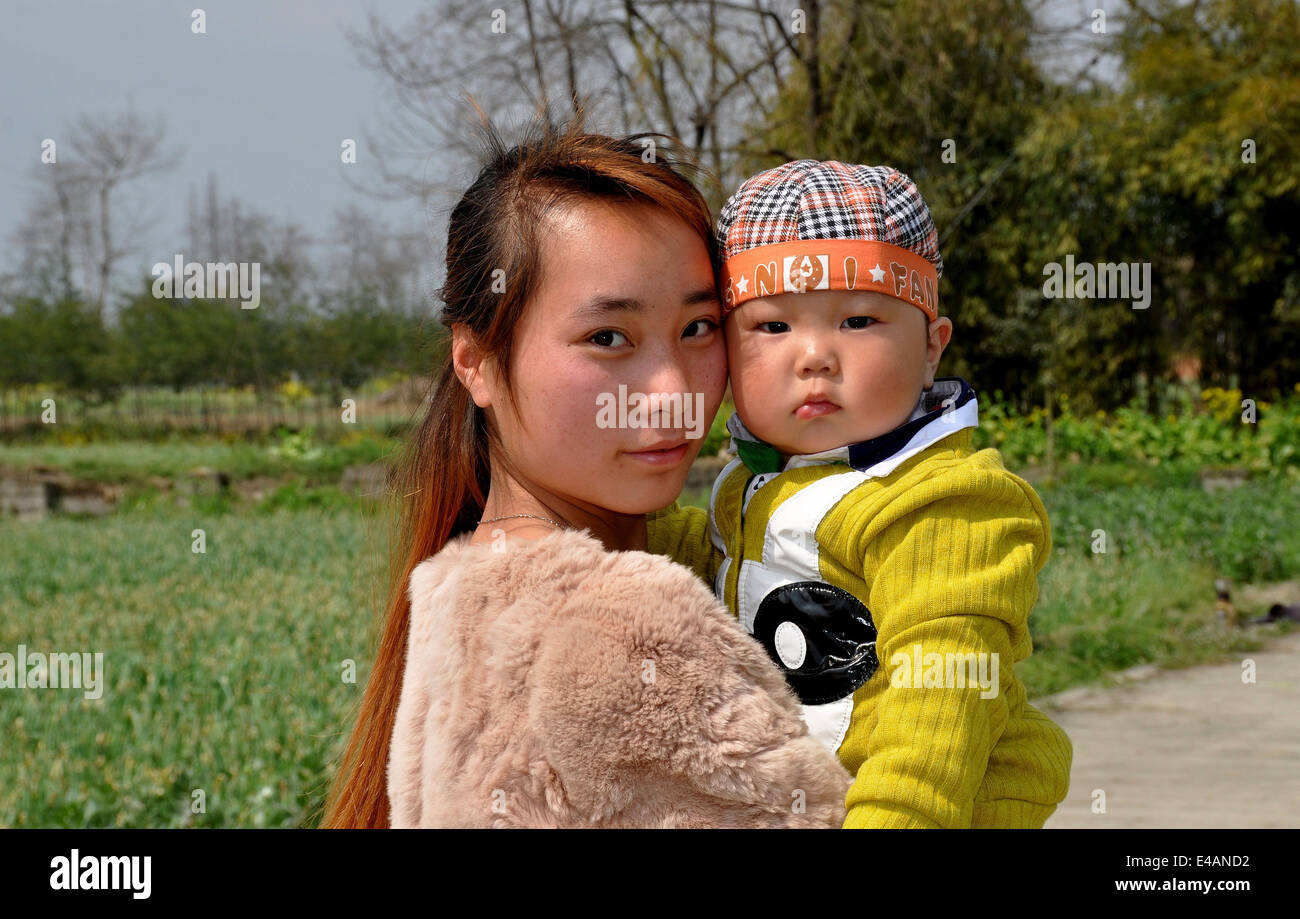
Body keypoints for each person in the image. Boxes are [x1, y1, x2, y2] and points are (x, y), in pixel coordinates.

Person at [320, 116, 851, 828]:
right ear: (475, 360)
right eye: (607, 338)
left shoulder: (455, 588)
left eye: (698, 328)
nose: (672, 391)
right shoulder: (626, 624)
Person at [648, 160, 1073, 828]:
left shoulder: (943, 502)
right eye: (773, 327)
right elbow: (707, 566)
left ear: (932, 348)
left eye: (857, 320)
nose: (814, 355)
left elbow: (939, 701)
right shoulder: (756, 479)